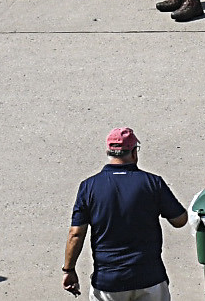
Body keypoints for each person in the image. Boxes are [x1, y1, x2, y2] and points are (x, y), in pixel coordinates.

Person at [63, 128, 186, 300]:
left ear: (108, 152)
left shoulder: (88, 187)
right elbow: (180, 220)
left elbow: (75, 234)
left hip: (108, 282)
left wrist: (68, 270)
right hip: (150, 279)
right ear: (134, 152)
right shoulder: (152, 183)